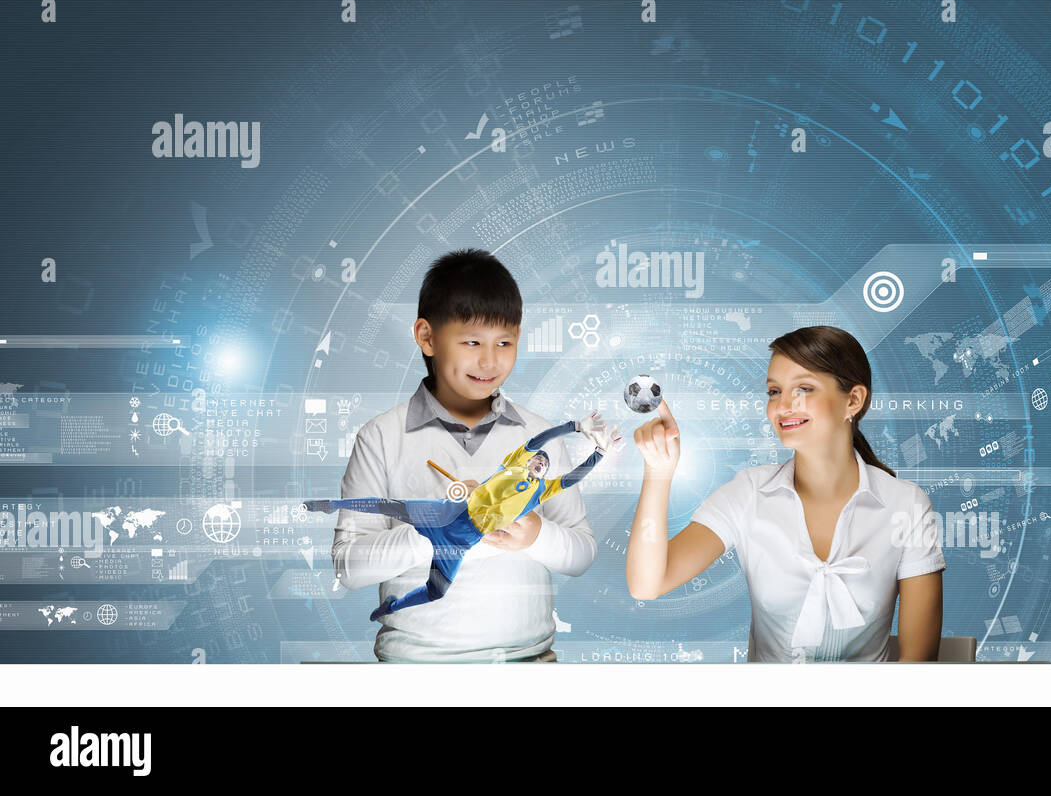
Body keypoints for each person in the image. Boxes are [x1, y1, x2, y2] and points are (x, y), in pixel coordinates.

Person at [327, 248, 597, 662]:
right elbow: (348, 568)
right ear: (427, 337)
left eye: (504, 342)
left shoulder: (536, 438)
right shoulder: (380, 437)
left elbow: (581, 553)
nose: (489, 361)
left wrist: (536, 534)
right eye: (471, 342)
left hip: (528, 666)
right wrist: (433, 528)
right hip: (414, 670)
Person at [626, 325, 946, 662]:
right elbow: (647, 584)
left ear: (853, 400)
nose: (783, 406)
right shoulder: (749, 493)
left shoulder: (906, 505)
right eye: (774, 391)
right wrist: (658, 473)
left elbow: (917, 668)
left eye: (804, 388)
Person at [307, 411, 620, 620]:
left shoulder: (542, 492)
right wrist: (574, 427)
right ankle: (334, 504)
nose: (540, 463)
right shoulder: (513, 464)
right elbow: (538, 441)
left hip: (463, 539)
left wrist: (600, 454)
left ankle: (391, 607)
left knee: (436, 591)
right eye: (537, 460)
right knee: (391, 506)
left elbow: (572, 480)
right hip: (448, 513)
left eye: (544, 465)